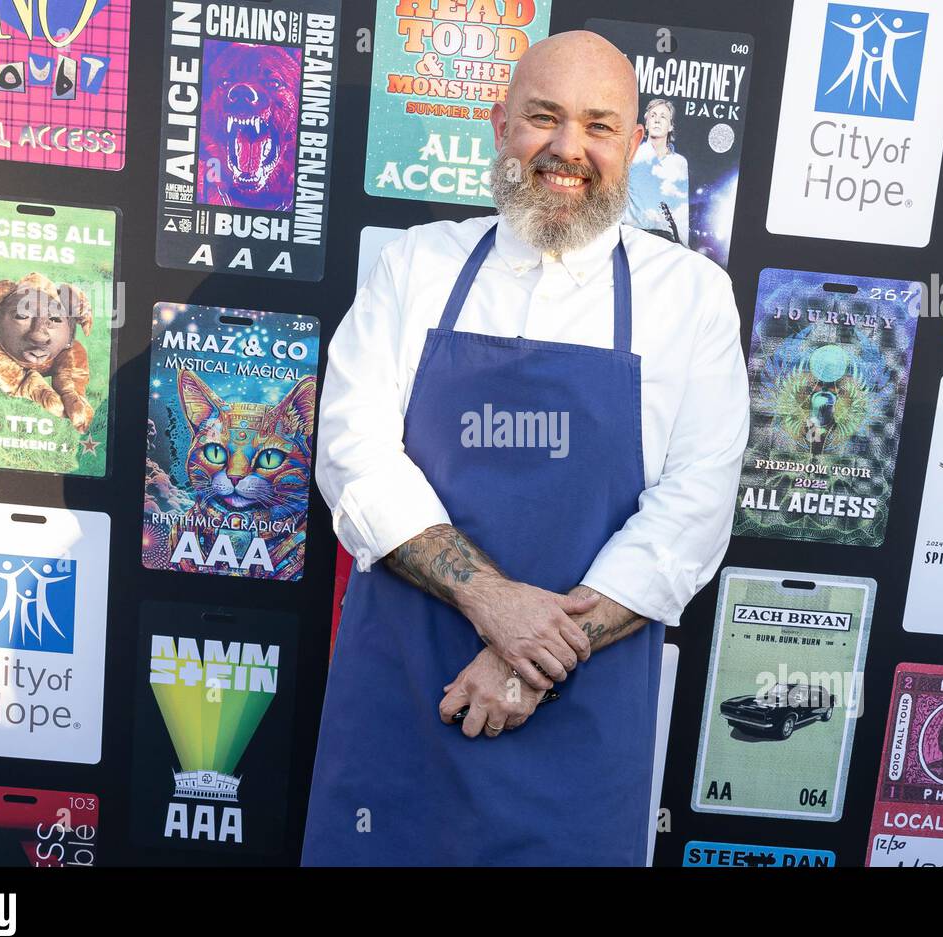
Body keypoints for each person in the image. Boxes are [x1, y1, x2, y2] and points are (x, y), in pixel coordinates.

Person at [302, 30, 749, 866]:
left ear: (635, 145)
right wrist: (494, 603)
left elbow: (694, 511)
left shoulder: (690, 297)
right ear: (499, 123)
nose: (567, 149)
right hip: (408, 693)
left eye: (599, 125)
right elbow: (352, 456)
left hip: (580, 717)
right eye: (543, 117)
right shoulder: (416, 265)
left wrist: (527, 664)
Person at [623, 98, 690, 245]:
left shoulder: (679, 163)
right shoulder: (632, 154)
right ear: (646, 124)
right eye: (653, 116)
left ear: (671, 126)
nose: (657, 120)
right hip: (631, 236)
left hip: (664, 241)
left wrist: (684, 246)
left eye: (663, 117)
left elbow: (682, 209)